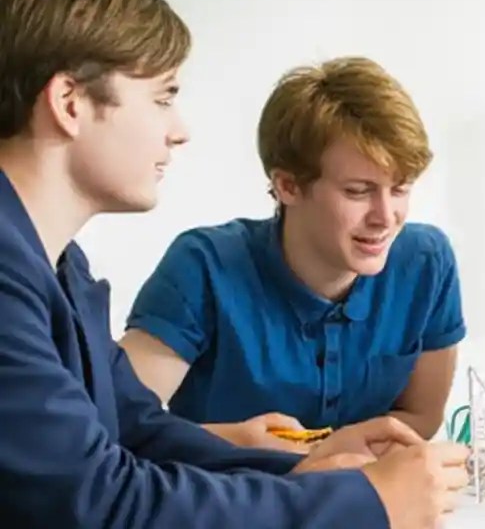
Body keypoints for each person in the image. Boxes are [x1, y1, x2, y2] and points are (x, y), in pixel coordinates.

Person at [0, 0, 467, 528]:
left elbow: (138, 429)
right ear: (70, 103)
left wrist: (302, 471)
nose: (179, 129)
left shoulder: (58, 265)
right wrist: (362, 502)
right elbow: (101, 501)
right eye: (163, 96)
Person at [121, 57, 463, 451]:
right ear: (287, 186)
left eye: (400, 188)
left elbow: (421, 418)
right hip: (226, 500)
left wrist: (330, 454)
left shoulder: (426, 261)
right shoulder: (204, 265)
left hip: (361, 499)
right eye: (357, 191)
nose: (386, 217)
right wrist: (236, 444)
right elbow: (115, 427)